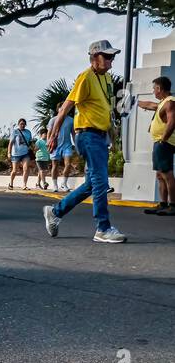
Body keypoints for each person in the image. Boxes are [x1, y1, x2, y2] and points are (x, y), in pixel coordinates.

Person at [43, 41, 125, 243]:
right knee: (100, 182)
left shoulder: (105, 78)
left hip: (99, 136)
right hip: (87, 136)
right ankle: (103, 228)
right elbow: (65, 108)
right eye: (107, 57)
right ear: (94, 57)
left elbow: (105, 108)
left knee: (91, 184)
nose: (111, 61)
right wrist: (53, 135)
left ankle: (55, 212)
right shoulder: (85, 77)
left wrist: (112, 134)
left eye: (112, 57)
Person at [137, 75, 175, 215]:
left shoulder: (170, 102)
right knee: (160, 174)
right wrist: (135, 102)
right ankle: (163, 204)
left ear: (159, 88)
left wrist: (163, 139)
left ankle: (173, 205)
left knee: (167, 174)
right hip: (160, 142)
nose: (153, 91)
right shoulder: (162, 103)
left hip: (165, 142)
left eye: (154, 88)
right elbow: (149, 105)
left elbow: (172, 122)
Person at [49, 100, 76, 191]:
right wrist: (49, 143)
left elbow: (73, 133)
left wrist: (76, 144)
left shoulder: (71, 120)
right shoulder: (53, 120)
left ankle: (63, 184)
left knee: (68, 164)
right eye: (61, 107)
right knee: (55, 165)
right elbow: (49, 133)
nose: (63, 109)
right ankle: (55, 185)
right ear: (58, 109)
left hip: (67, 145)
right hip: (55, 146)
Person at [7, 117, 34, 190]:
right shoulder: (15, 132)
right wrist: (9, 153)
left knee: (26, 168)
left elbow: (30, 141)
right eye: (21, 124)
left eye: (24, 124)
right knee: (15, 170)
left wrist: (32, 147)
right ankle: (11, 183)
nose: (22, 125)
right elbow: (11, 143)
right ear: (18, 124)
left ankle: (24, 185)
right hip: (16, 154)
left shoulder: (28, 132)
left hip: (25, 153)